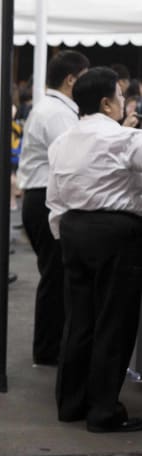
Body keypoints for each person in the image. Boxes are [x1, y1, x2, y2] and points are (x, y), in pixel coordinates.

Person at [47, 66, 142, 432]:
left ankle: (71, 404)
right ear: (106, 103)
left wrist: (64, 234)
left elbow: (54, 199)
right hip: (116, 233)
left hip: (74, 231)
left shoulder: (63, 142)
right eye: (120, 97)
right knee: (113, 324)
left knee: (79, 321)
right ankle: (103, 411)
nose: (123, 103)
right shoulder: (124, 139)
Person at [16, 50, 90, 366]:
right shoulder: (57, 112)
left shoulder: (53, 107)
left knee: (54, 275)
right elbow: (73, 157)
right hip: (43, 198)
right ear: (71, 79)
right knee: (55, 276)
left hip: (40, 197)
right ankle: (49, 349)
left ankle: (50, 345)